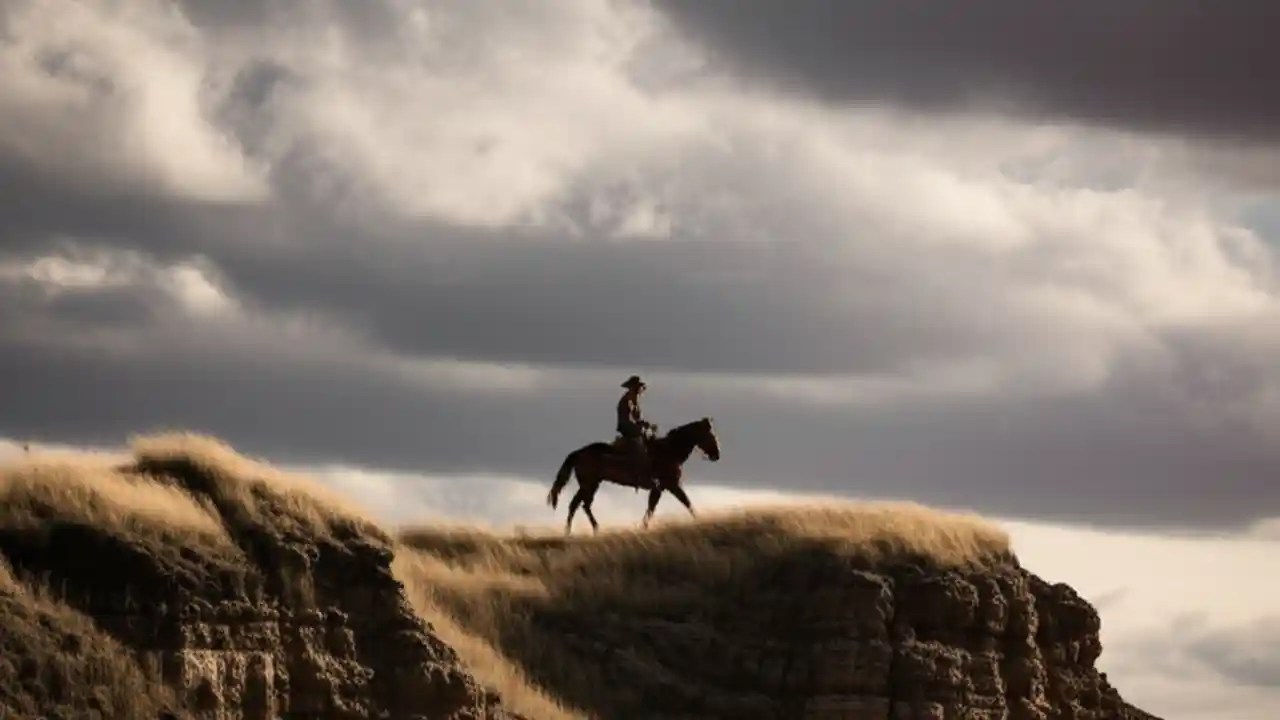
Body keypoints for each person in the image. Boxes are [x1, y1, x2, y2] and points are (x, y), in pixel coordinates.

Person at [616, 375, 657, 489]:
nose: (640, 390)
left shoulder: (634, 400)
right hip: (626, 426)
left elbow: (637, 418)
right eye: (638, 387)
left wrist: (645, 424)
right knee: (639, 446)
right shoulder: (627, 400)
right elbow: (629, 418)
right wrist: (641, 426)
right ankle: (638, 474)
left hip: (632, 426)